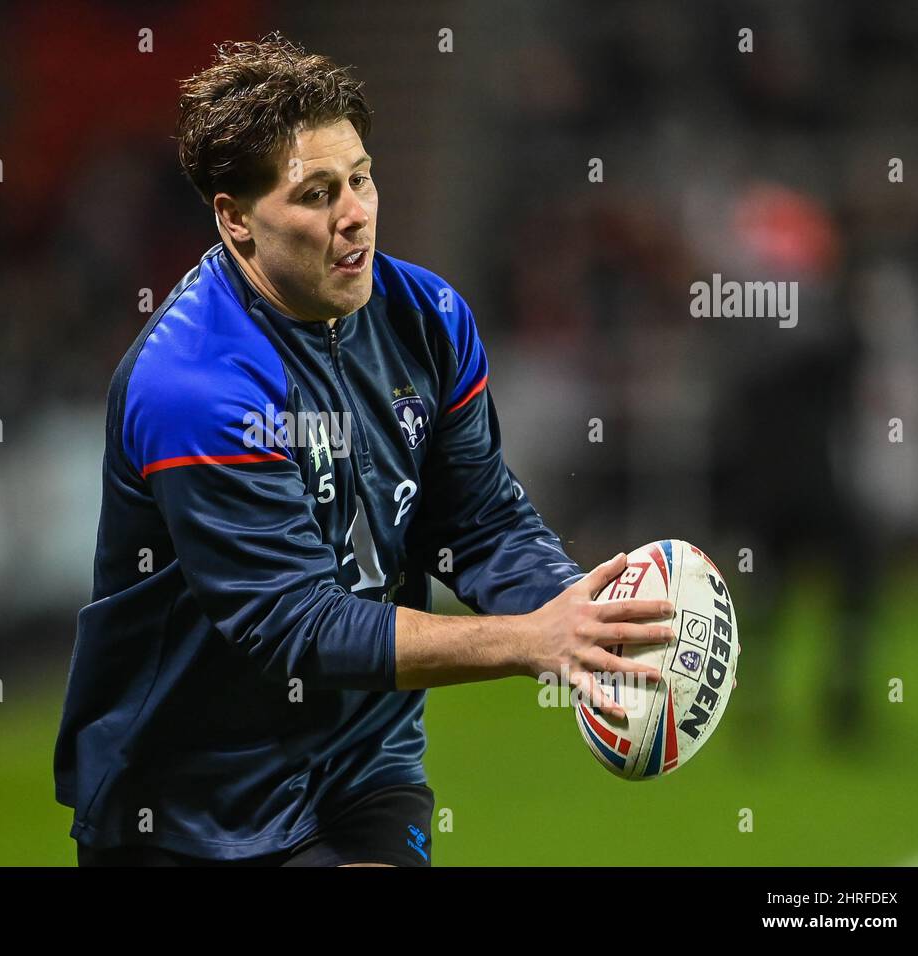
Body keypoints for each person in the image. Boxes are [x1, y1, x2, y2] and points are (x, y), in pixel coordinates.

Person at [54, 33, 672, 867]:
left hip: (360, 769)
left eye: (361, 177)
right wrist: (530, 641)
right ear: (235, 219)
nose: (354, 213)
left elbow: (478, 521)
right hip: (184, 809)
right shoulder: (194, 385)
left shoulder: (429, 320)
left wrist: (586, 618)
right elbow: (295, 625)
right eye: (315, 194)